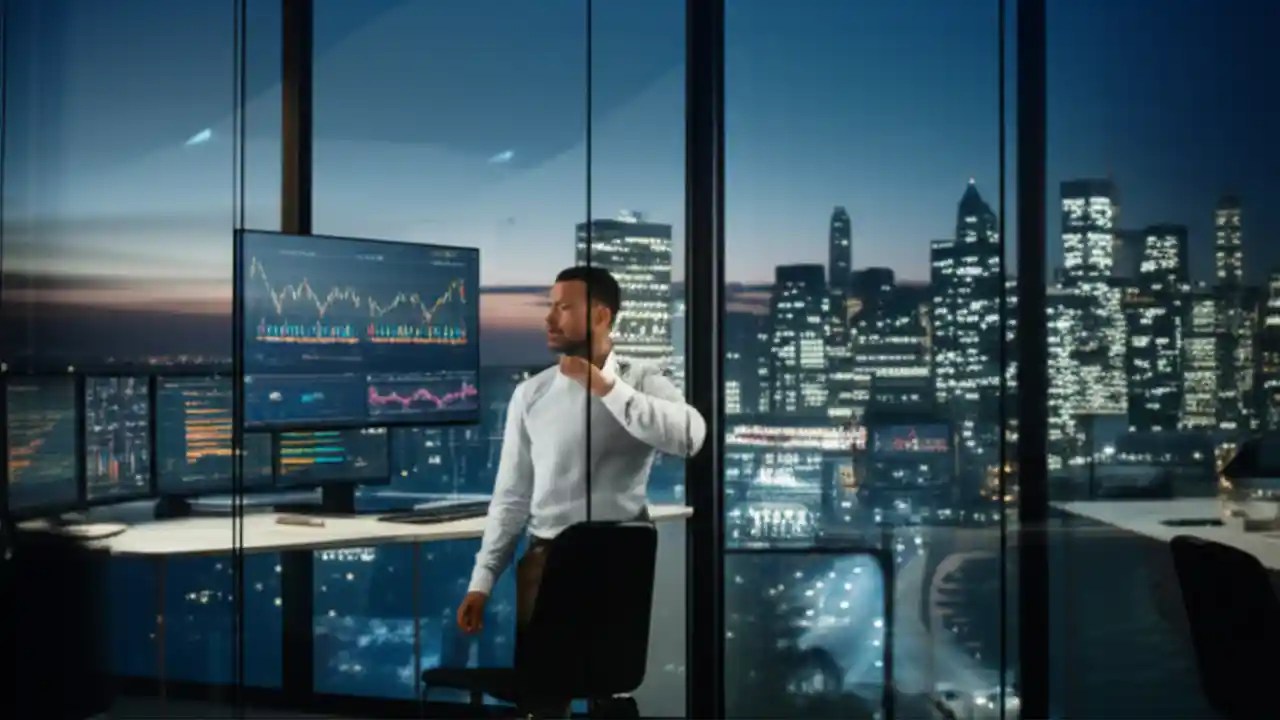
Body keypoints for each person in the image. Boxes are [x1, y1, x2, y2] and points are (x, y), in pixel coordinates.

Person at [455, 265, 705, 706]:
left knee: (610, 687)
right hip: (548, 563)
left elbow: (689, 436)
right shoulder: (532, 394)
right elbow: (511, 497)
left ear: (601, 316)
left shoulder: (642, 380)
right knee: (544, 696)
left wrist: (608, 388)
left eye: (564, 307)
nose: (549, 319)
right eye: (550, 307)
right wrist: (482, 581)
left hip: (619, 564)